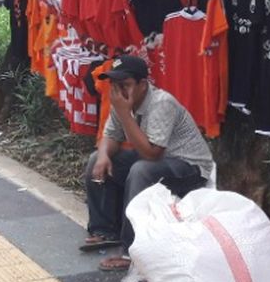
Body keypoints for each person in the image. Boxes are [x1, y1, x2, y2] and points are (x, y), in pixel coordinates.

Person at [82, 55, 214, 271]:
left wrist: (125, 114)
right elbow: (111, 137)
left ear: (143, 85)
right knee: (96, 159)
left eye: (125, 85)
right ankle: (105, 230)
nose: (119, 91)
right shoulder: (122, 102)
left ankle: (132, 249)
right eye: (115, 85)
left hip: (189, 167)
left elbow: (152, 154)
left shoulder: (161, 103)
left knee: (141, 170)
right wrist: (104, 154)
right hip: (157, 161)